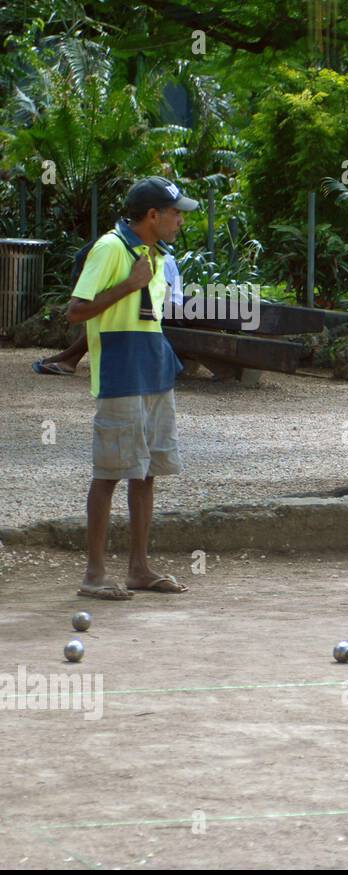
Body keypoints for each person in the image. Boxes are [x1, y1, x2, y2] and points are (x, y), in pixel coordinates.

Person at [68, 176, 197, 599]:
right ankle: (94, 574)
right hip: (121, 372)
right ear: (153, 215)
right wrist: (129, 284)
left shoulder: (157, 254)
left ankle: (139, 569)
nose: (181, 219)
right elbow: (75, 312)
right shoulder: (109, 248)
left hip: (154, 370)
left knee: (147, 472)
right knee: (109, 473)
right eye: (176, 212)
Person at [34, 247, 184, 376]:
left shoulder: (158, 259)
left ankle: (67, 358)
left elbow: (160, 297)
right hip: (153, 309)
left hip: (170, 312)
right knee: (105, 311)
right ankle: (68, 359)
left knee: (110, 313)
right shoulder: (134, 258)